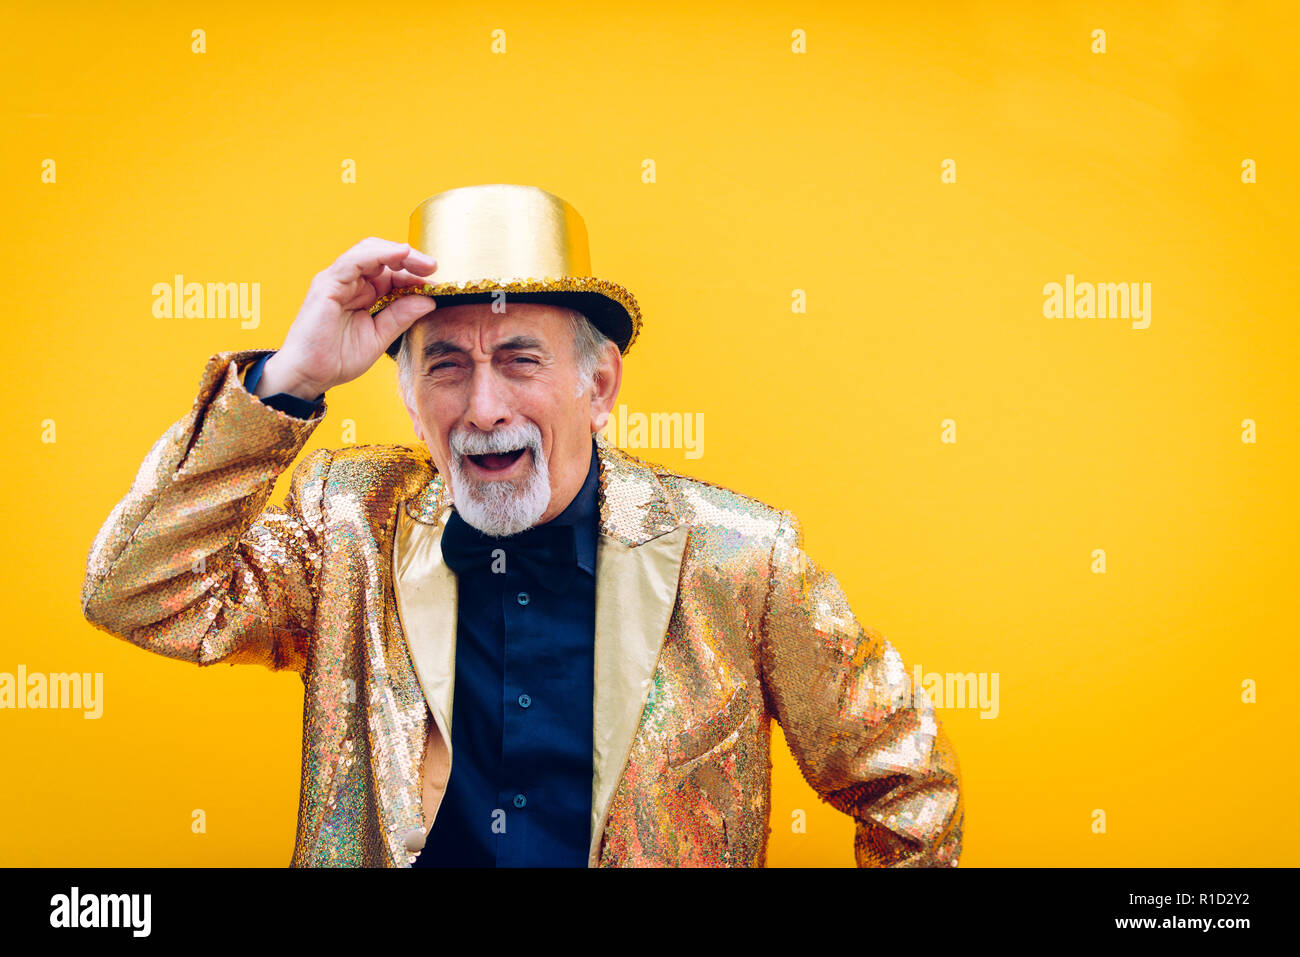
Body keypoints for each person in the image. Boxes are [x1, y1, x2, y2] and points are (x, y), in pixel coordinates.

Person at [81, 183, 964, 867]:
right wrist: (292, 375)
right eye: (447, 366)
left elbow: (909, 791)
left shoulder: (743, 560)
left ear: (600, 385)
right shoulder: (348, 523)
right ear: (406, 394)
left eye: (518, 360)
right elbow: (139, 592)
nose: (483, 406)